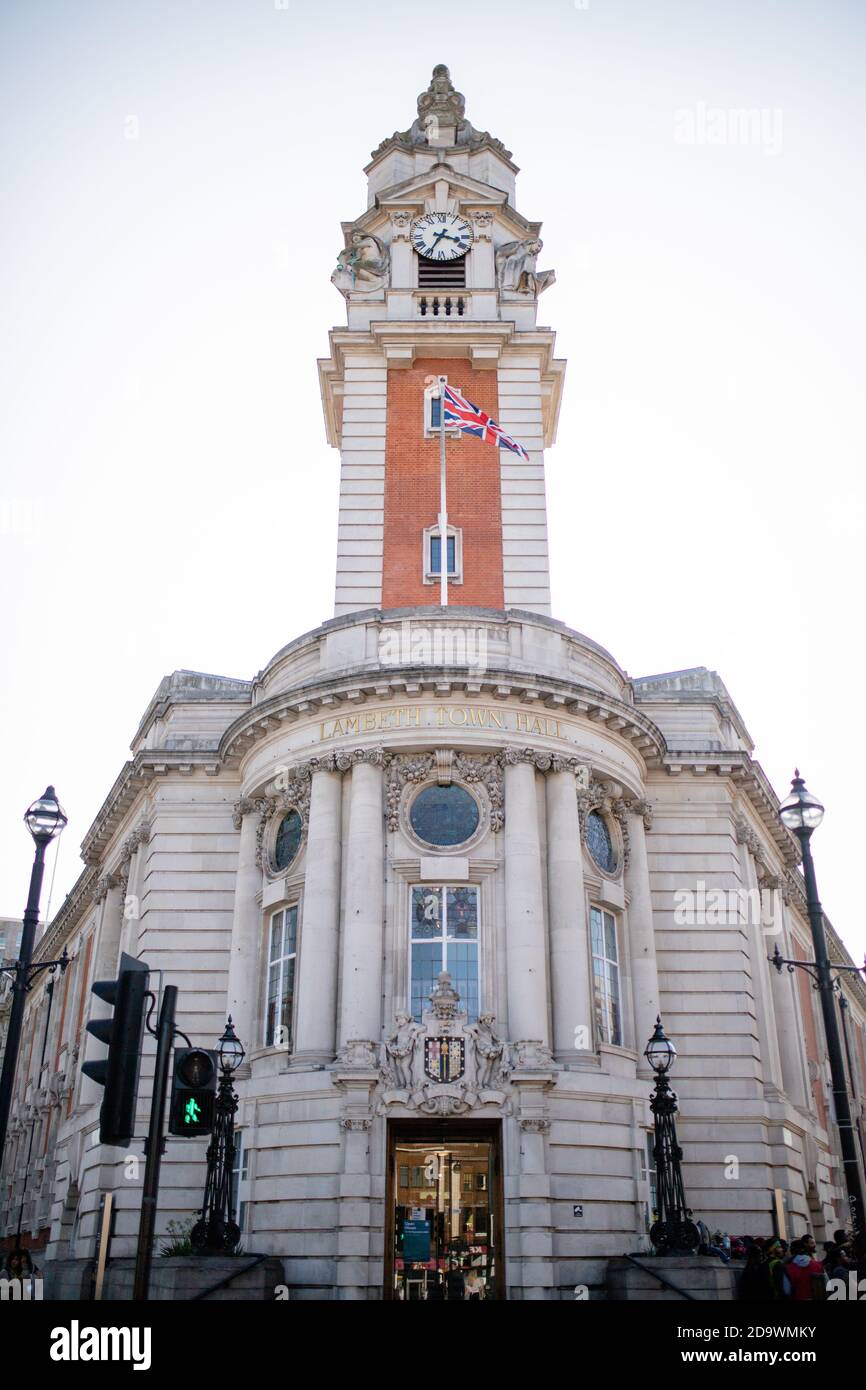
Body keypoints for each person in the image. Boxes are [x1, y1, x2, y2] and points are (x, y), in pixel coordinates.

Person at [787, 1235, 827, 1301]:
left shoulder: (789, 1268)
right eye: (811, 1243)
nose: (814, 1245)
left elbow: (787, 1290)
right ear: (805, 1247)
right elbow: (827, 1283)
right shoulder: (818, 1265)